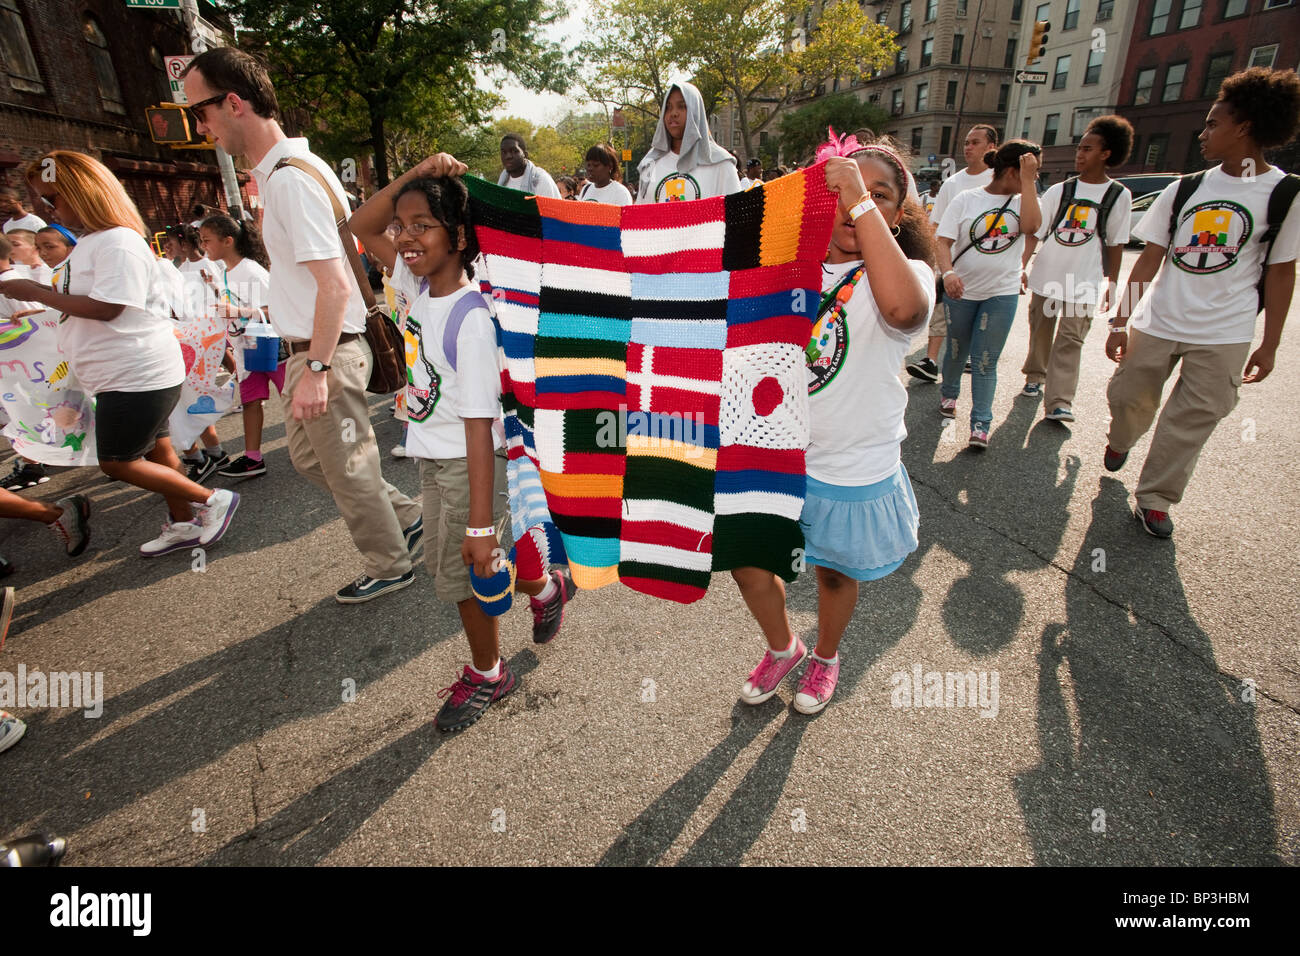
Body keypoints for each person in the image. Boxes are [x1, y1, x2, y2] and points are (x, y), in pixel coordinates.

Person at [183, 47, 422, 602]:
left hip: (326, 350)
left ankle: (390, 564)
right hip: (315, 349)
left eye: (201, 112)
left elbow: (335, 283)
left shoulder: (289, 180)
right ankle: (406, 516)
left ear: (234, 103)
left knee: (347, 465)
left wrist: (314, 366)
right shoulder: (288, 172)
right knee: (316, 461)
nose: (200, 126)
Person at [349, 153, 577, 732]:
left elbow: (481, 427)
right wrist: (419, 174)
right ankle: (545, 586)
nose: (403, 237)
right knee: (475, 567)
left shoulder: (471, 318)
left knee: (464, 577)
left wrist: (478, 524)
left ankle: (489, 672)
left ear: (457, 234)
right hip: (434, 458)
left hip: (463, 466)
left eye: (421, 224)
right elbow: (361, 225)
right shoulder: (414, 284)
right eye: (403, 226)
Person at [736, 131, 935, 714]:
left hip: (850, 463)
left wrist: (858, 195)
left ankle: (825, 656)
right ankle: (784, 648)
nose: (855, 203)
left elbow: (904, 312)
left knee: (831, 575)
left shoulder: (908, 274)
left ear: (895, 215)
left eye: (877, 196)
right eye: (845, 190)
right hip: (771, 457)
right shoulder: (778, 268)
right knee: (748, 563)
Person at [0, 150, 238, 556]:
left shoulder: (118, 241)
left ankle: (212, 499)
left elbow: (109, 307)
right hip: (121, 372)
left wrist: (34, 291)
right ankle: (183, 523)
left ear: (82, 192)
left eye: (53, 198)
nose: (47, 208)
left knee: (117, 461)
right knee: (157, 451)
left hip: (133, 373)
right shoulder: (97, 241)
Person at [1104, 67, 1300, 538]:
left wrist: (1269, 344)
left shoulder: (1286, 194)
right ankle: (1121, 438)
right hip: (1159, 320)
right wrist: (1120, 320)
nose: (1203, 133)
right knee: (1129, 398)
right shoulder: (1186, 188)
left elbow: (1281, 272)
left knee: (1193, 419)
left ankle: (1155, 499)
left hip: (1226, 331)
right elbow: (1148, 261)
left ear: (1245, 127)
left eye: (1213, 123)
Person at [1020, 115, 1134, 423]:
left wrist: (1112, 285)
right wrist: (1022, 265)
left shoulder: (1118, 195)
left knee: (1071, 340)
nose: (1079, 154)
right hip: (1048, 277)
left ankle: (1059, 401)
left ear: (1106, 153)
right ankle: (1035, 375)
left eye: (1087, 149)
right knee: (1041, 333)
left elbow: (1115, 244)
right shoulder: (1060, 191)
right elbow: (1035, 232)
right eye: (1079, 148)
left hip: (1085, 282)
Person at [935, 139, 1042, 449]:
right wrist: (949, 273)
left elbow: (1033, 226)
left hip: (1002, 293)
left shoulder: (1027, 200)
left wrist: (1029, 184)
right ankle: (950, 393)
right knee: (957, 349)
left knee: (985, 359)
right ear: (1012, 170)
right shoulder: (967, 200)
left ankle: (981, 424)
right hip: (962, 291)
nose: (1034, 177)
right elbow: (942, 242)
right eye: (1031, 171)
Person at [908, 124, 999, 382]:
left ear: (991, 147)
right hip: (952, 261)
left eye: (975, 142)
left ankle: (968, 354)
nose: (968, 147)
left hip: (987, 266)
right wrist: (933, 261)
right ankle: (931, 360)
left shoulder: (1000, 181)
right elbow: (935, 226)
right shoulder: (953, 183)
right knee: (941, 312)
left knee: (976, 317)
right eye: (967, 142)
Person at [198, 213, 278, 480]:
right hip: (247, 349)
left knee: (296, 401)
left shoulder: (251, 270)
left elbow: (275, 308)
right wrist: (214, 290)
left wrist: (237, 310)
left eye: (207, 240)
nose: (204, 246)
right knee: (251, 401)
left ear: (228, 241)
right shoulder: (225, 272)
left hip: (271, 347)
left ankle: (325, 448)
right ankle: (253, 458)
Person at [0, 233, 50, 491]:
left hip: (25, 367)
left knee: (23, 415)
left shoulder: (10, 282)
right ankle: (32, 462)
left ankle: (33, 465)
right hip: (12, 367)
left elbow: (39, 319)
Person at [635, 82, 742, 203]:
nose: (673, 113)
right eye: (668, 107)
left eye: (682, 106)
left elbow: (736, 219)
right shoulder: (650, 163)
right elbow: (641, 215)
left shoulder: (721, 164)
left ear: (696, 112)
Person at [497, 134, 561, 199]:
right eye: (504, 152)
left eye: (514, 151)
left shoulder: (540, 180)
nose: (508, 156)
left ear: (525, 155)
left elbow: (554, 208)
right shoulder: (502, 181)